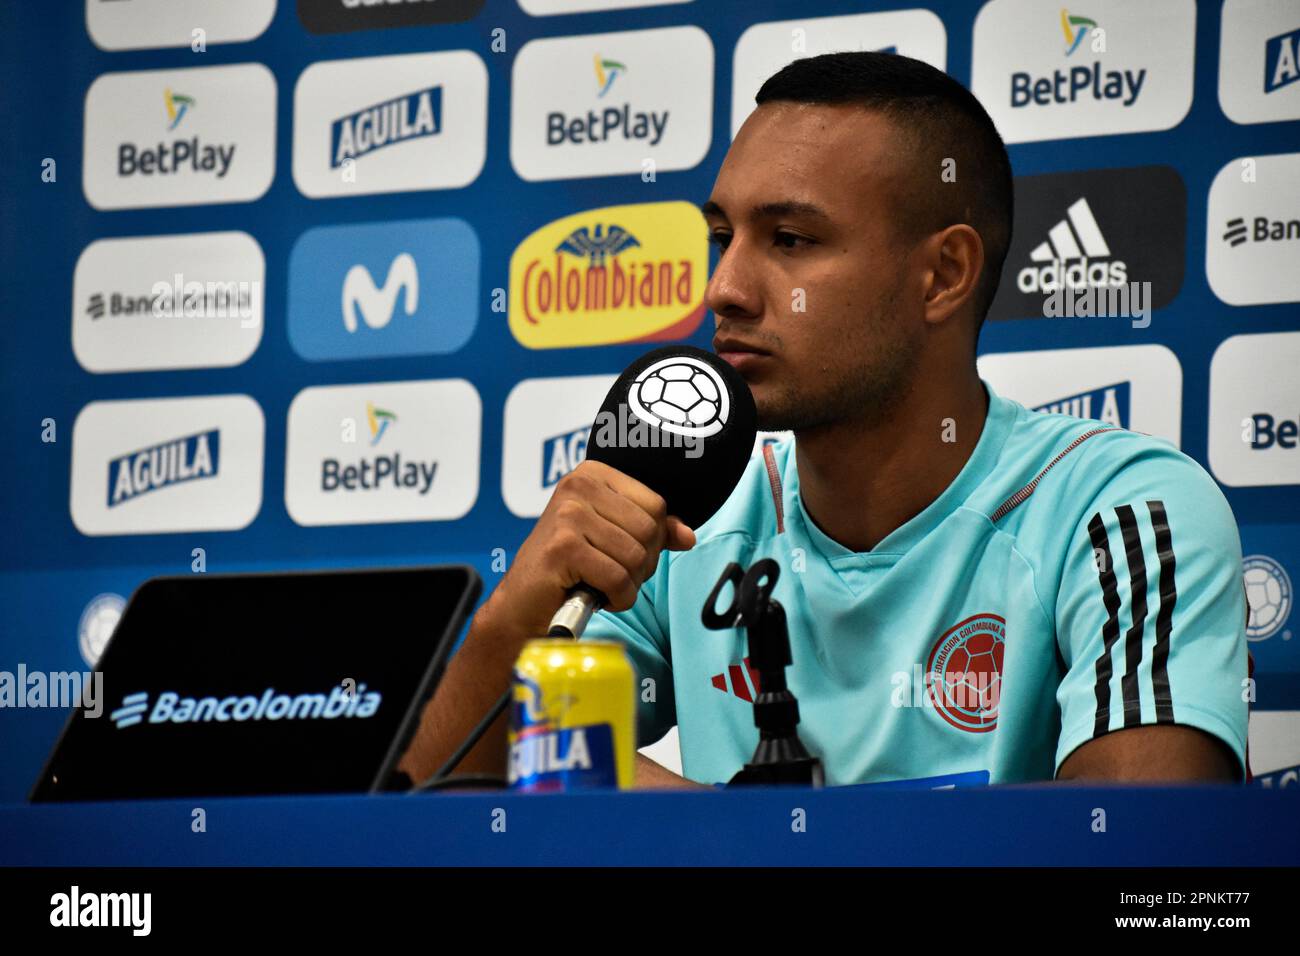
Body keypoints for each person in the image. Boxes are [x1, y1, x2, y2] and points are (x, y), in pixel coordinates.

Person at [399, 51, 1248, 789]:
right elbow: (451, 779)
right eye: (722, 236)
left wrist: (715, 824)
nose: (724, 288)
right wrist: (512, 616)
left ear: (944, 275)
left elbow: (1148, 870)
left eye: (792, 239)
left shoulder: (1120, 509)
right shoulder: (689, 517)